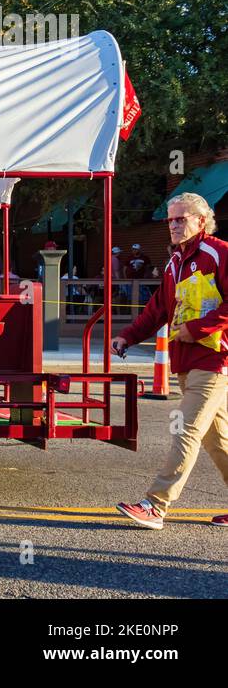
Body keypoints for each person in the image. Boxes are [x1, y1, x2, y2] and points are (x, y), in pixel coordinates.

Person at [112, 193, 228, 530]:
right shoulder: (174, 263)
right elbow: (159, 309)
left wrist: (197, 328)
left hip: (215, 360)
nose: (173, 225)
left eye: (181, 219)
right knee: (216, 440)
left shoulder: (219, 253)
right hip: (185, 361)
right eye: (170, 219)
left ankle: (156, 504)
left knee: (185, 430)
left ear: (201, 221)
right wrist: (128, 336)